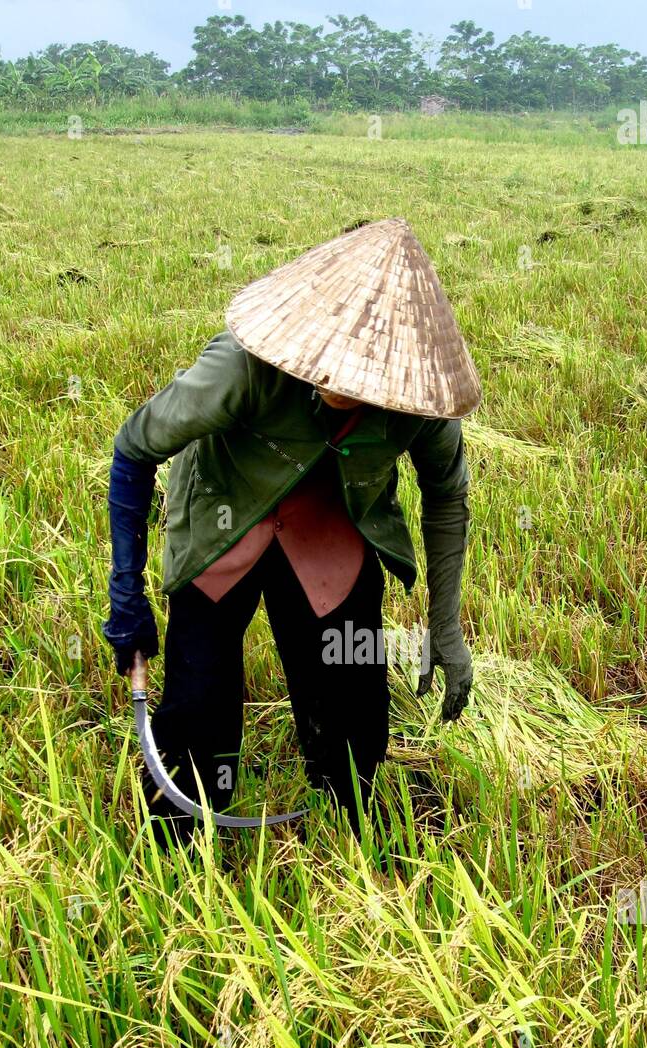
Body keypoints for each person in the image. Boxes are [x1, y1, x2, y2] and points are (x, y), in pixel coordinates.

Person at [102, 217, 481, 841]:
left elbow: (447, 495)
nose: (340, 383)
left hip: (332, 533)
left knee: (355, 745)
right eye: (331, 366)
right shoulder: (240, 368)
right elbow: (134, 448)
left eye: (362, 379)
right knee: (196, 735)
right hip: (225, 523)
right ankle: (186, 850)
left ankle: (341, 814)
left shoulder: (420, 398)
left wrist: (446, 627)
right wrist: (127, 591)